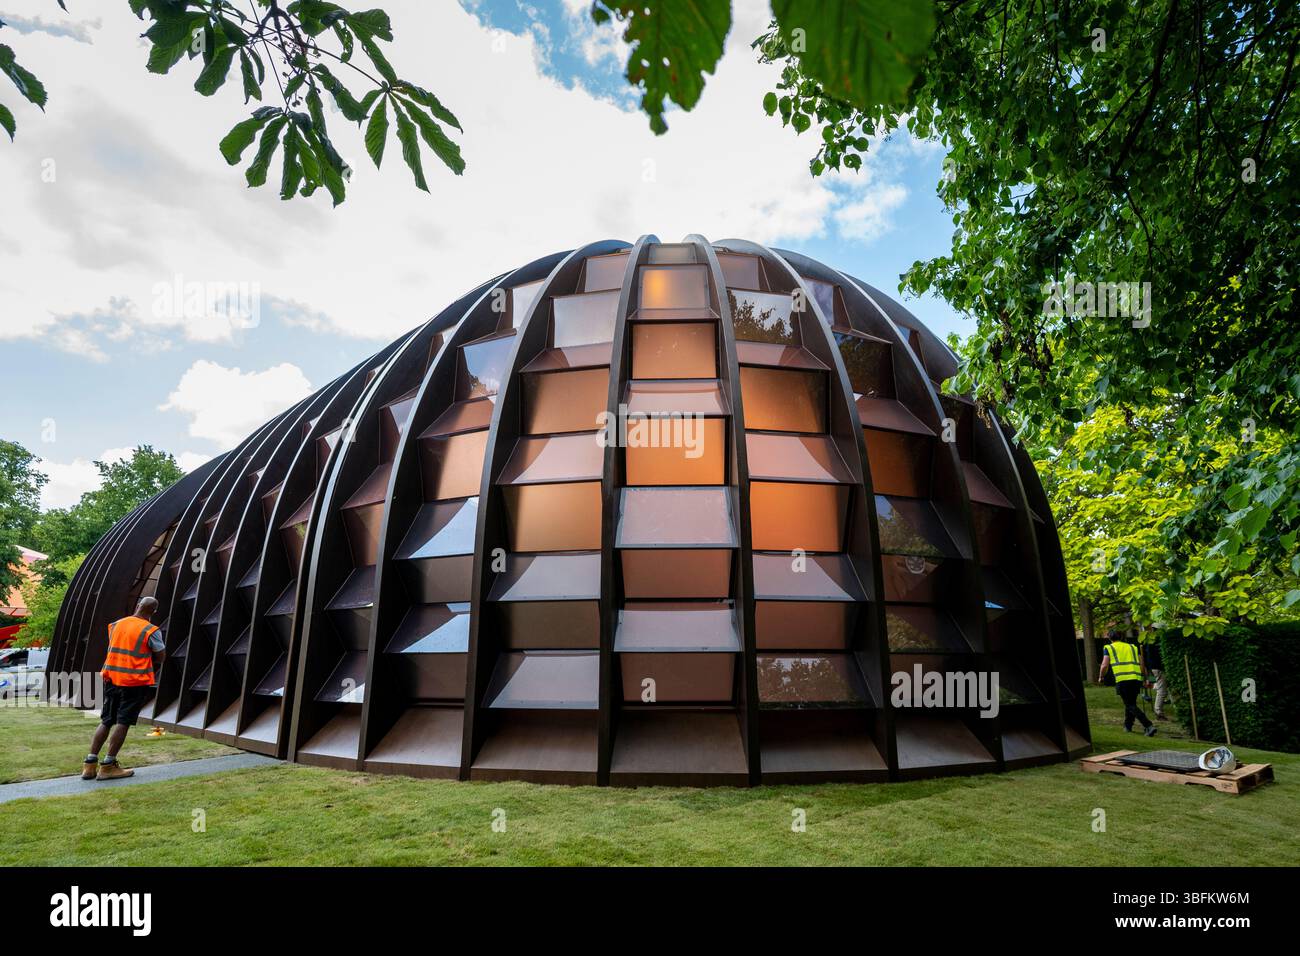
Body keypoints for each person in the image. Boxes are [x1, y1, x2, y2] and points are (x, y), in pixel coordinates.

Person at [83, 597, 166, 781]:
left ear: (138, 606)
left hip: (112, 679)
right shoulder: (151, 630)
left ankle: (89, 765)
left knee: (106, 721)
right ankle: (108, 766)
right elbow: (161, 657)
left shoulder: (116, 625)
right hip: (134, 682)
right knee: (123, 721)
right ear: (153, 612)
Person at [1099, 629, 1156, 736]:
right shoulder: (1132, 647)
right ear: (1121, 637)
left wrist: (1101, 676)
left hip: (1122, 679)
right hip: (1135, 679)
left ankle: (1148, 725)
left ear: (1110, 638)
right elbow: (1142, 664)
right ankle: (1128, 726)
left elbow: (1104, 665)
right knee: (1131, 703)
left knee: (1129, 704)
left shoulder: (1108, 647)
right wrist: (1145, 678)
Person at [1143, 637, 1169, 721]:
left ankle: (1158, 710)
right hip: (1157, 668)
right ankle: (1158, 712)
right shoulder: (1157, 640)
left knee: (1157, 686)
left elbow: (1146, 658)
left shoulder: (1148, 641)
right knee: (1162, 691)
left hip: (1151, 668)